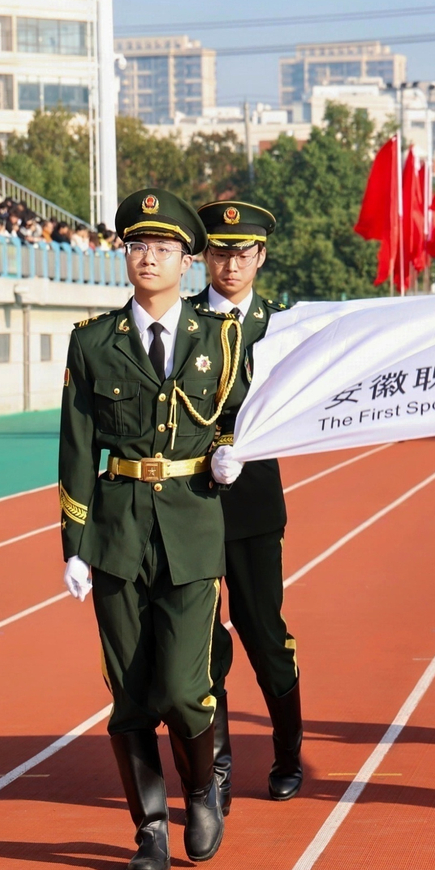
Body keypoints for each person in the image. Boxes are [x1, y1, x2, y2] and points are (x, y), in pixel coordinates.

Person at [58, 188, 241, 870]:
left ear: (187, 261)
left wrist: (231, 452)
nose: (148, 257)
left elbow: (240, 414)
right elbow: (76, 447)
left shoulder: (215, 337)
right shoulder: (92, 342)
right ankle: (149, 832)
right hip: (116, 527)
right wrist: (73, 544)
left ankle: (201, 790)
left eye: (162, 248)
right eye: (137, 245)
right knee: (130, 694)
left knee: (185, 687)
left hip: (192, 523)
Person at [191, 198, 305, 805]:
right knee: (202, 640)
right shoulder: (182, 323)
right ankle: (218, 768)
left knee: (264, 633)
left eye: (241, 252)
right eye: (218, 251)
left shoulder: (283, 328)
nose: (229, 263)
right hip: (190, 504)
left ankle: (288, 751)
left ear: (260, 255)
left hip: (255, 502)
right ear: (204, 256)